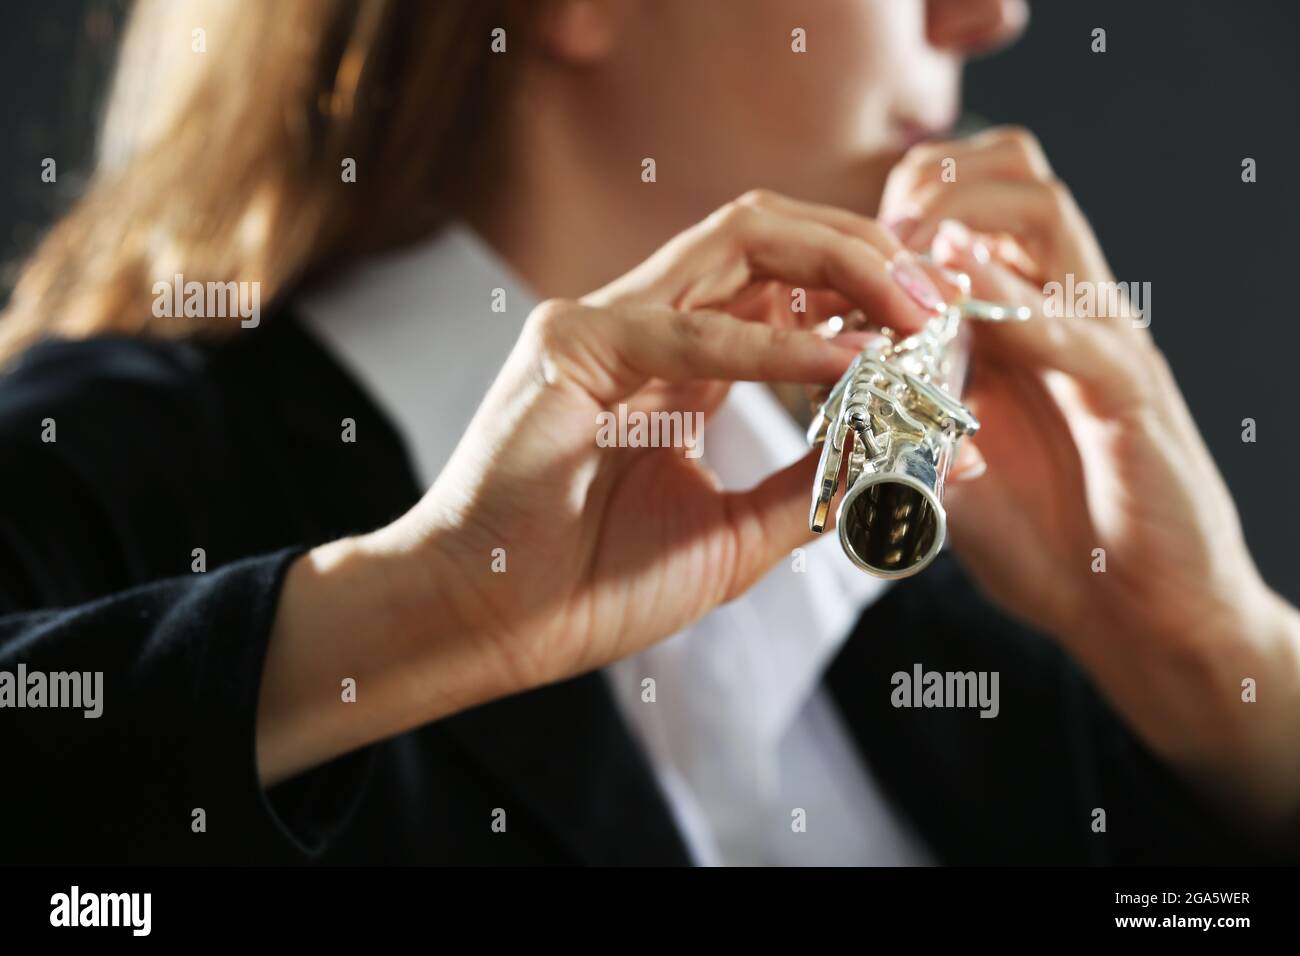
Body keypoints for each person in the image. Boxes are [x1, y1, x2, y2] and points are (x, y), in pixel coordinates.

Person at [0, 0, 1295, 865]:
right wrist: (419, 612)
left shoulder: (954, 581)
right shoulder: (100, 474)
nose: (989, 15)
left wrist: (1217, 657)